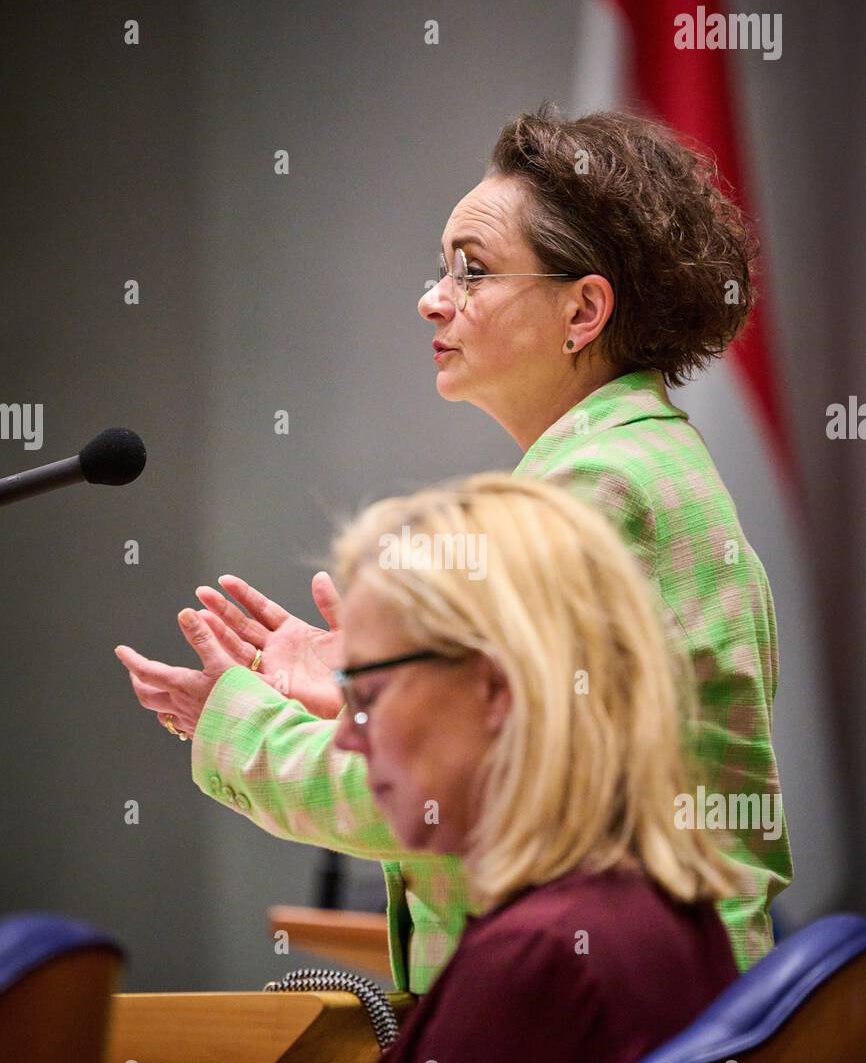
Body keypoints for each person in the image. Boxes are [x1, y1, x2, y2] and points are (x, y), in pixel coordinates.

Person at [115, 104, 792, 992]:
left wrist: (235, 727)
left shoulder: (595, 492)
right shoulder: (643, 458)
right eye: (442, 271)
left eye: (472, 272)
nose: (433, 299)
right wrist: (372, 703)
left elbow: (442, 804)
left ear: (583, 309)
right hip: (663, 1018)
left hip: (612, 1035)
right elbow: (540, 777)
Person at [303, 472, 737, 1063]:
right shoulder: (664, 914)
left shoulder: (536, 961)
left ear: (497, 689)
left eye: (367, 697)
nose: (345, 735)